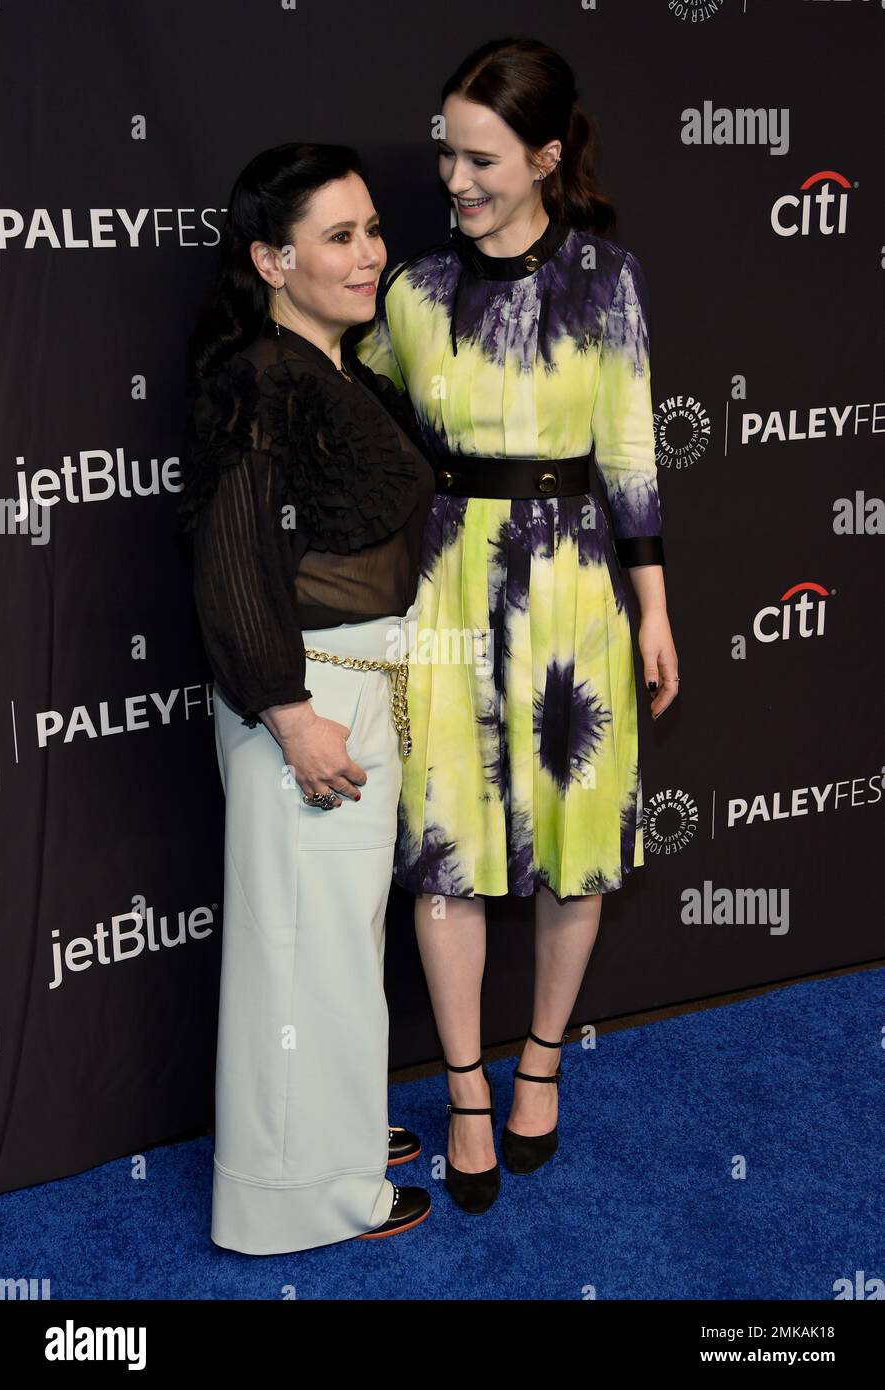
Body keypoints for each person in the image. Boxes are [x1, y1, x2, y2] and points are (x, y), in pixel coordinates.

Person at [354, 37, 680, 1213]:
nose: (453, 177)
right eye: (446, 151)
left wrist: (652, 610)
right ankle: (466, 1092)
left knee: (572, 841)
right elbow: (347, 384)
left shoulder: (605, 279)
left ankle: (539, 1060)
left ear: (544, 157)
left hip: (574, 588)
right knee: (443, 844)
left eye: (480, 157)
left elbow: (632, 450)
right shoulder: (414, 293)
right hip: (442, 589)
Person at [176, 142, 435, 1252]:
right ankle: (300, 1202)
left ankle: (330, 1137)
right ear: (271, 260)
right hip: (306, 698)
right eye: (339, 236)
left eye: (373, 229)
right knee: (302, 953)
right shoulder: (257, 376)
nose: (370, 253)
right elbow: (230, 552)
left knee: (330, 941)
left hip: (348, 682)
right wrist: (288, 715)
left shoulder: (336, 367)